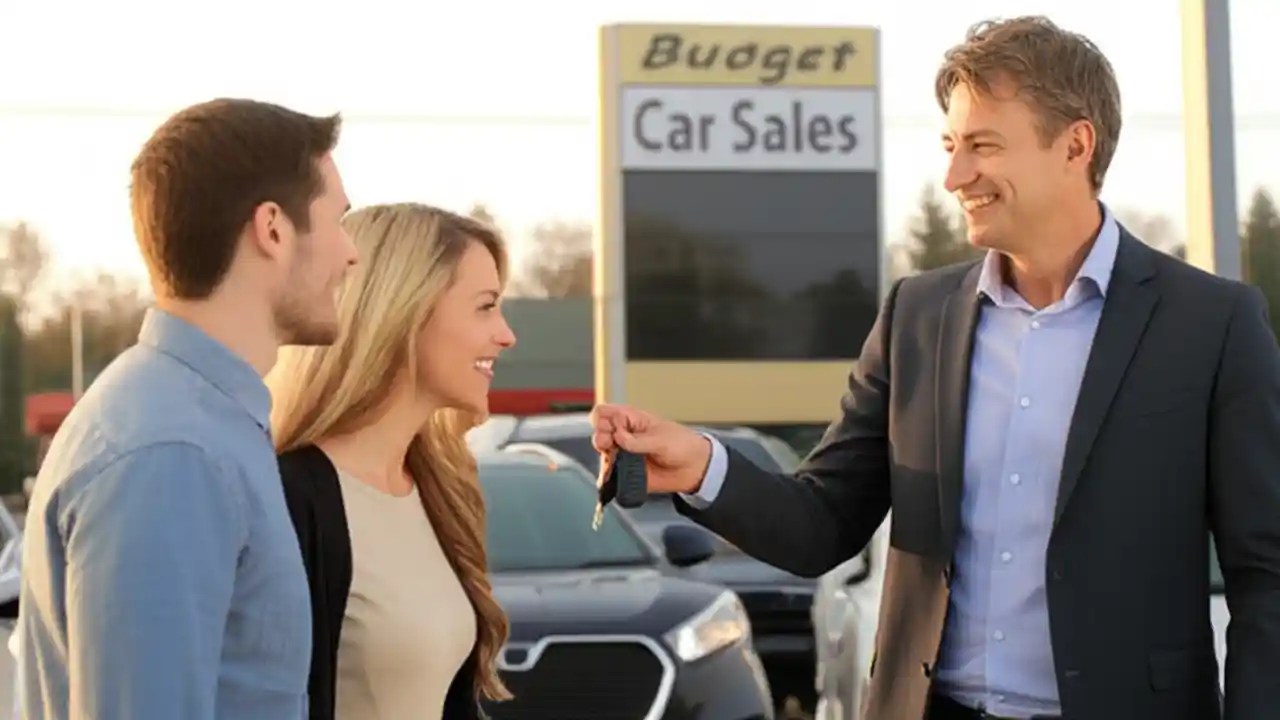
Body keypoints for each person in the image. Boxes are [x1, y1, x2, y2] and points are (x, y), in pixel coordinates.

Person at [590, 16, 1280, 720]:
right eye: (951, 146)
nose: (955, 176)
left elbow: (1268, 576)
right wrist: (703, 465)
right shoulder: (917, 315)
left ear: (1076, 145)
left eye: (982, 146)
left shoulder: (1211, 325)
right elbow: (822, 523)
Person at [17, 98, 359, 720]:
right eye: (339, 220)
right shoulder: (172, 452)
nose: (351, 252)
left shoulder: (199, 425)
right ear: (273, 229)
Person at [267, 203, 518, 720]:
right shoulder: (291, 499)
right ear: (404, 312)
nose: (506, 335)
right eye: (485, 306)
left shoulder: (435, 488)